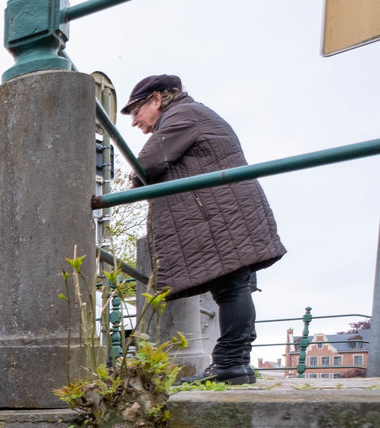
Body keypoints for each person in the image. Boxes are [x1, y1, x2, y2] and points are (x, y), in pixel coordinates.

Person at [121, 74, 286, 385]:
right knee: (234, 287)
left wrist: (134, 175)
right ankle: (236, 364)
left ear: (157, 99)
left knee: (231, 289)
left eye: (135, 111)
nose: (134, 122)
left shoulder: (182, 114)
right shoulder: (191, 114)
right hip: (224, 211)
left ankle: (229, 365)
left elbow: (146, 166)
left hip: (218, 213)